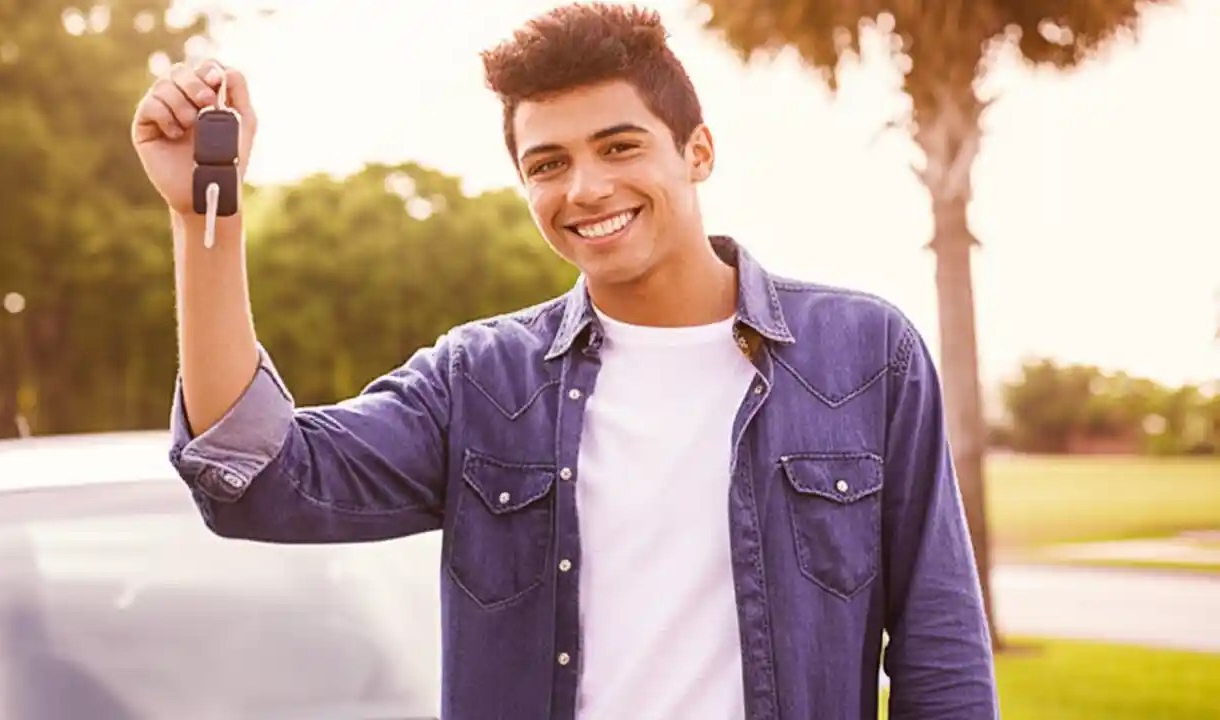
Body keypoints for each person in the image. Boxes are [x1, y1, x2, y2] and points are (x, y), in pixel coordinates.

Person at [130, 3, 998, 718]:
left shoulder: (865, 355)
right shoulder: (480, 381)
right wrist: (205, 212)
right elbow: (263, 479)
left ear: (696, 151)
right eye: (548, 164)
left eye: (619, 147)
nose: (584, 189)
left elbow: (940, 653)